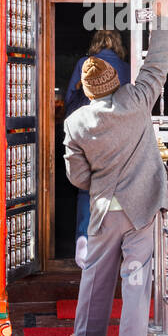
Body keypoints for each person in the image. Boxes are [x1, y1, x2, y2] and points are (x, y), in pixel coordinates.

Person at [64, 0, 168, 336]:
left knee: (94, 274)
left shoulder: (76, 122)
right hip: (142, 208)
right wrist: (163, 10)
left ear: (88, 88)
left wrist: (99, 183)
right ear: (115, 79)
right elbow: (158, 59)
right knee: (136, 278)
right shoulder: (139, 97)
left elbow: (76, 176)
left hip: (104, 209)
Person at [64, 29, 131, 267]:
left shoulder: (85, 63)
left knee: (87, 187)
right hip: (119, 135)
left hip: (89, 133)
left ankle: (84, 238)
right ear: (118, 45)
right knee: (120, 188)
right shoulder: (126, 66)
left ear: (95, 44)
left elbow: (71, 98)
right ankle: (120, 246)